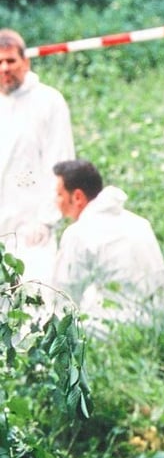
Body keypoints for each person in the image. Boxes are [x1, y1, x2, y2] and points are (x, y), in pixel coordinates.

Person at [51, 159, 164, 333]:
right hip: (160, 328)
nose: (56, 202)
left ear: (78, 197)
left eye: (59, 195)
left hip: (115, 332)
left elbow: (64, 296)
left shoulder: (78, 233)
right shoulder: (139, 223)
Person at [0, 28, 75, 286]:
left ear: (25, 61)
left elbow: (61, 163)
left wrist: (45, 221)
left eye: (10, 60)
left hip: (34, 229)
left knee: (35, 306)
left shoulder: (48, 101)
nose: (4, 68)